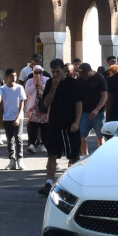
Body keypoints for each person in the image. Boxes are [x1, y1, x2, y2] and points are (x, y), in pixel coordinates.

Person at [40, 59, 83, 195]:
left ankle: (77, 182)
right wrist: (54, 86)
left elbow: (79, 103)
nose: (55, 74)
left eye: (57, 72)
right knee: (52, 154)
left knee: (73, 154)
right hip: (54, 123)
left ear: (63, 69)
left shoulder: (72, 83)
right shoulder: (50, 83)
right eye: (53, 72)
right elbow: (46, 104)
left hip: (69, 123)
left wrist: (77, 122)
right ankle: (49, 183)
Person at [0, 67, 27, 170]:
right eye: (11, 76)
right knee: (10, 139)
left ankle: (20, 159)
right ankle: (12, 160)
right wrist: (0, 120)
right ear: (7, 77)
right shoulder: (3, 89)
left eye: (15, 76)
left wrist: (18, 117)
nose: (14, 78)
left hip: (18, 117)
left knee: (18, 138)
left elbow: (22, 103)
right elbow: (0, 106)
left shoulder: (19, 88)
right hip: (7, 117)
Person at [77, 62, 109, 155]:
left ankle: (101, 156)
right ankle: (85, 156)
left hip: (98, 113)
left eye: (86, 75)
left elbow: (105, 95)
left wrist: (97, 109)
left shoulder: (99, 78)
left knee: (100, 137)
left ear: (90, 70)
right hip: (84, 113)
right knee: (82, 137)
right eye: (82, 75)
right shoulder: (79, 79)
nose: (84, 77)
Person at [25, 66, 49, 154]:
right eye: (36, 72)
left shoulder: (46, 80)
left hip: (44, 106)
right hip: (33, 107)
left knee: (44, 126)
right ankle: (32, 144)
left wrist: (40, 84)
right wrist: (34, 85)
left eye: (40, 72)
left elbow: (48, 91)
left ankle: (44, 145)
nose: (38, 74)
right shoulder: (30, 81)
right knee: (33, 126)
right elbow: (27, 92)